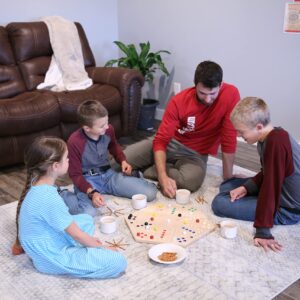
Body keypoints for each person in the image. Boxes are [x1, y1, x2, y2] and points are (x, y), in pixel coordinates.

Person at [11, 136, 127, 278]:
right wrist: (102, 248)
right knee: (118, 262)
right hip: (50, 256)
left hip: (45, 240)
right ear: (55, 166)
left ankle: (82, 246)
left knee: (85, 218)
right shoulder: (49, 198)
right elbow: (76, 234)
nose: (69, 160)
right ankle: (78, 254)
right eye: (66, 158)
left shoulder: (37, 184)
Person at [124, 60, 240, 198]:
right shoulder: (179, 101)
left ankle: (143, 170)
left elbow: (229, 138)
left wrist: (228, 179)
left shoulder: (231, 94)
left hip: (196, 154)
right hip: (171, 143)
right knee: (122, 159)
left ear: (220, 85)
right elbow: (161, 140)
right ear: (195, 84)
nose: (208, 99)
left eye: (213, 94)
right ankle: (156, 165)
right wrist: (162, 177)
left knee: (190, 181)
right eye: (203, 93)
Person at [212, 97, 300, 252]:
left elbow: (271, 186)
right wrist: (247, 188)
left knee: (219, 203)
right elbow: (268, 171)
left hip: (287, 209)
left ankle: (259, 208)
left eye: (241, 131)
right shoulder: (269, 136)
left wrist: (263, 230)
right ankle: (249, 195)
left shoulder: (275, 143)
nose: (239, 136)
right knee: (228, 184)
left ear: (258, 127)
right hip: (279, 191)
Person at [67, 100, 157, 216]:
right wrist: (91, 192)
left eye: (107, 122)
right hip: (87, 180)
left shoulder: (108, 130)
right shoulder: (75, 141)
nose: (106, 127)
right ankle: (64, 194)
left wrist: (123, 161)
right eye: (101, 126)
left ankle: (134, 176)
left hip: (108, 176)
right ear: (87, 128)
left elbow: (114, 146)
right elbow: (75, 175)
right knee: (89, 213)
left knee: (150, 193)